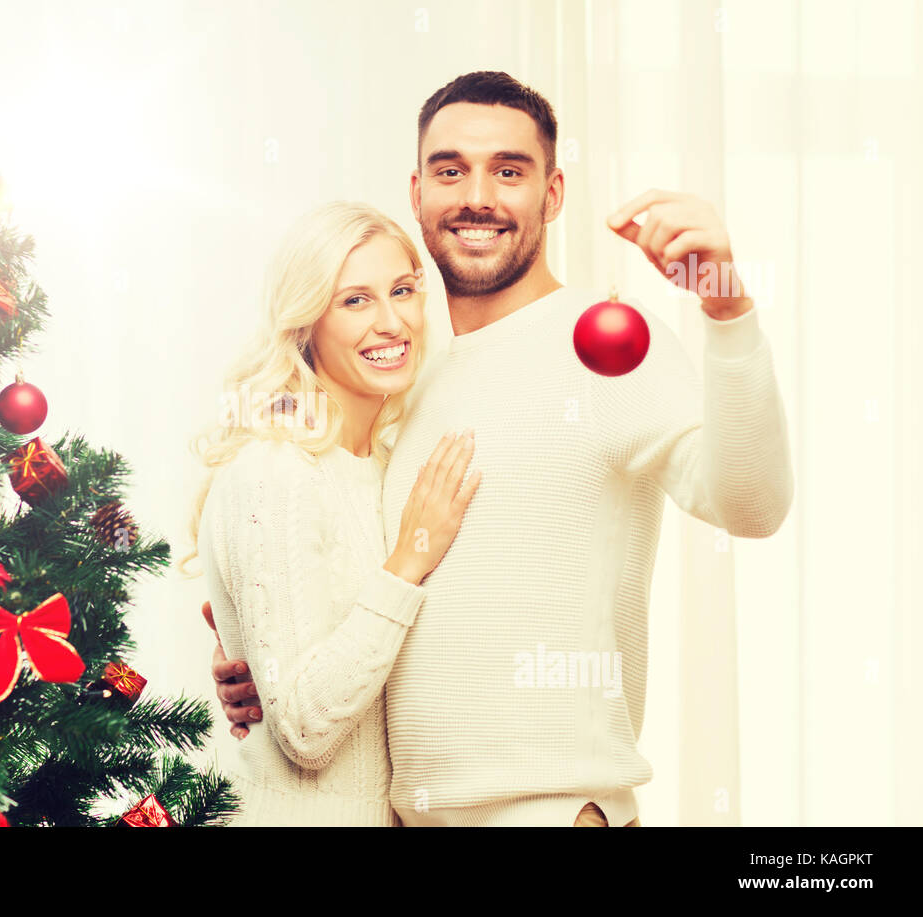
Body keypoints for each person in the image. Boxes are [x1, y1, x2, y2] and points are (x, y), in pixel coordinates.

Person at [204, 71, 794, 827]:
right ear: (417, 193)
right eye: (452, 170)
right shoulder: (403, 382)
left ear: (551, 195)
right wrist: (263, 656)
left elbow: (753, 504)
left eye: (507, 171)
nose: (477, 196)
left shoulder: (611, 345)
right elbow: (369, 589)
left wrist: (727, 304)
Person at [182, 201, 481, 825]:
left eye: (403, 290)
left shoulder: (385, 467)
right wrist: (408, 561)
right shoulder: (275, 471)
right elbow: (305, 730)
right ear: (306, 322)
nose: (392, 322)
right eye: (355, 301)